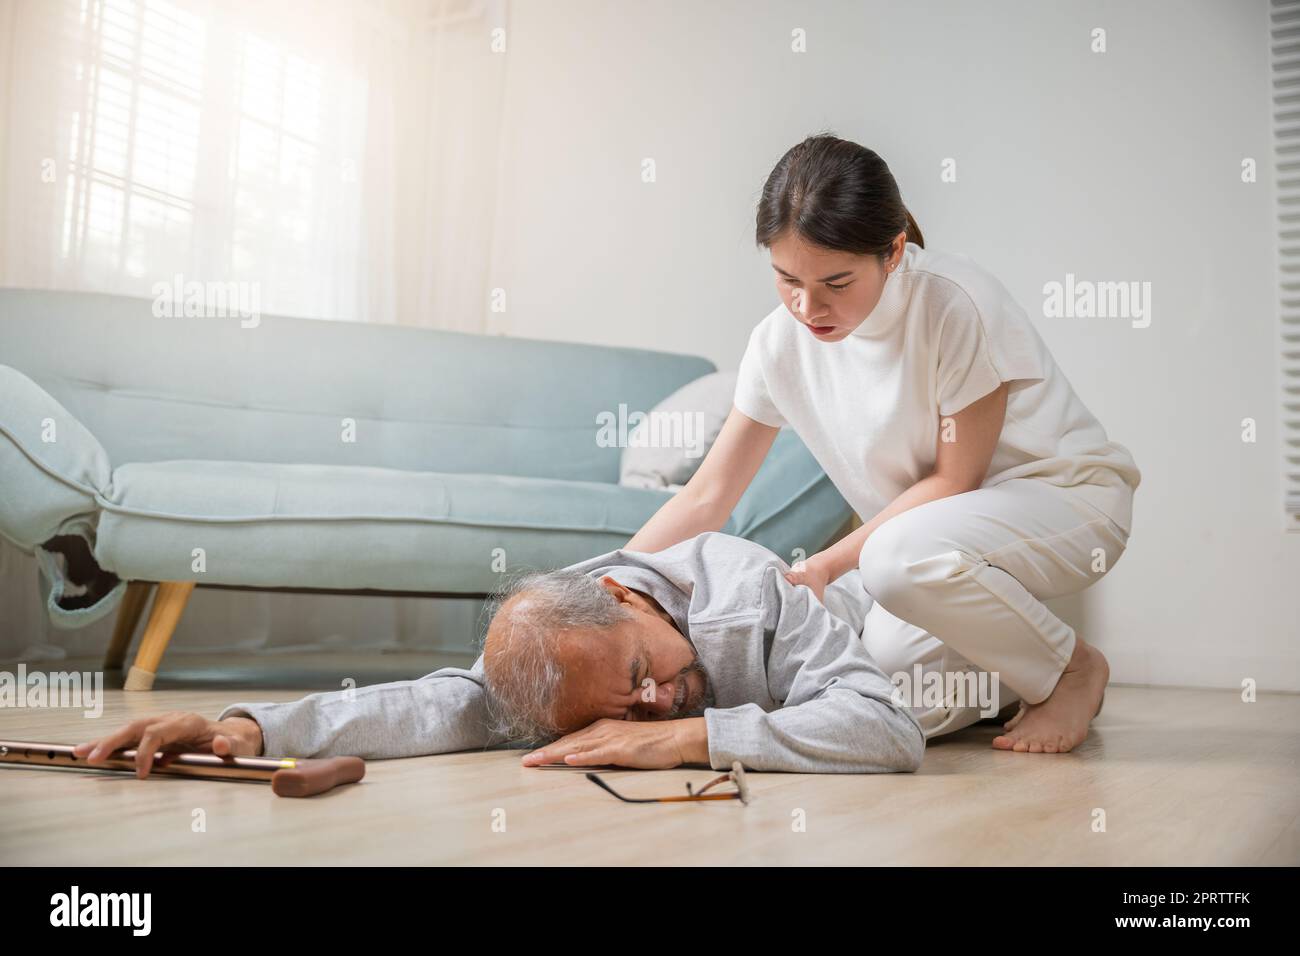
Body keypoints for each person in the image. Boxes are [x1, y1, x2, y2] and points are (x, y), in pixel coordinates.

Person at [626, 134, 1139, 753]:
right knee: (880, 696)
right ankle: (1009, 671)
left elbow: (955, 482)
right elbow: (708, 493)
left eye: (836, 282)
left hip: (1064, 505)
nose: (807, 306)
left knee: (893, 562)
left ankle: (1070, 669)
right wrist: (600, 589)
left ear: (893, 251)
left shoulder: (954, 302)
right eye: (786, 278)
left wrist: (822, 567)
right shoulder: (776, 344)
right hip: (927, 549)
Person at [73, 533, 925, 776]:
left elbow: (886, 729)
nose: (657, 704)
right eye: (618, 715)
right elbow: (435, 703)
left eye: (640, 677)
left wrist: (690, 739)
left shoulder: (746, 592)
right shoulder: (558, 658)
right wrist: (249, 726)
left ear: (629, 599)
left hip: (887, 633)